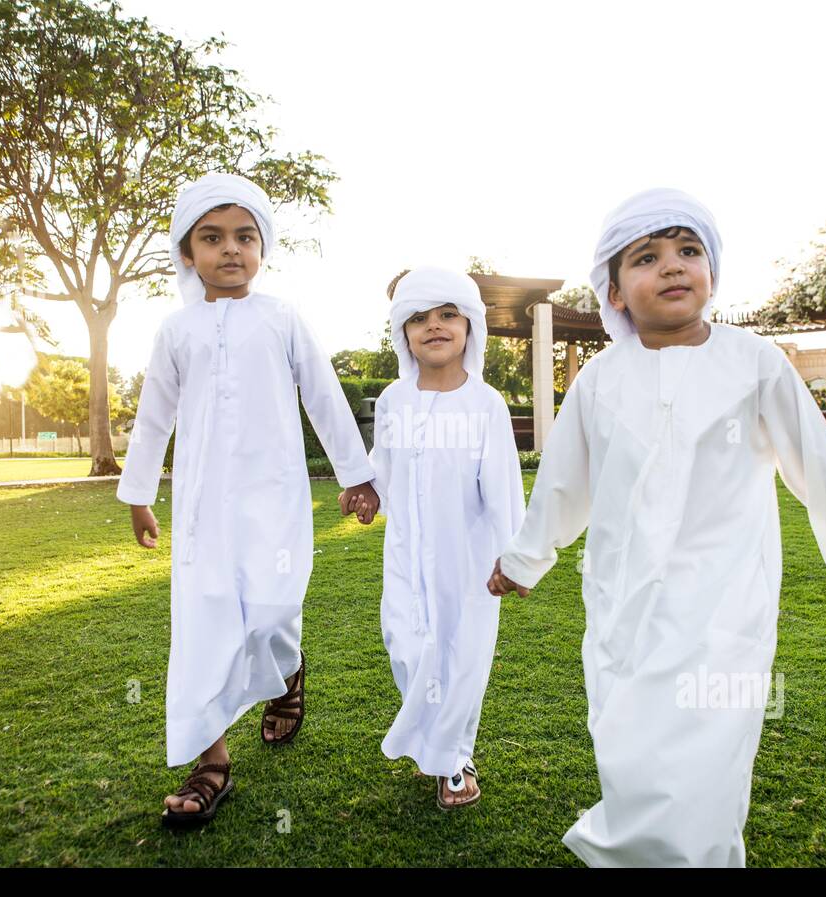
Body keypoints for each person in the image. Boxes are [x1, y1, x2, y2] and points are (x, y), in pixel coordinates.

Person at [487, 188, 826, 865]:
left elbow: (816, 462)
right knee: (631, 741)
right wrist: (526, 557)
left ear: (711, 270)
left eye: (688, 250)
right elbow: (564, 482)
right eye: (647, 257)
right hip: (624, 599)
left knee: (709, 751)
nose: (673, 266)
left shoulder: (754, 361)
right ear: (614, 292)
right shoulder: (599, 381)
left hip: (724, 599)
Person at [117, 172, 379, 828]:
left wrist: (356, 473)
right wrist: (140, 494)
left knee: (271, 613)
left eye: (244, 236)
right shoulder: (177, 330)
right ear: (186, 252)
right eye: (212, 237)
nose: (229, 249)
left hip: (276, 501)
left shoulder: (282, 317)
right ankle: (210, 763)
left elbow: (323, 394)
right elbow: (154, 417)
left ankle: (287, 673)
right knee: (202, 630)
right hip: (205, 510)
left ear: (262, 247)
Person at [342, 268, 524, 808]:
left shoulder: (485, 404)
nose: (434, 326)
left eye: (447, 314)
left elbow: (505, 487)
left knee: (460, 653)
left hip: (465, 560)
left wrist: (515, 555)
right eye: (418, 318)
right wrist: (369, 490)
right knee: (407, 645)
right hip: (404, 556)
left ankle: (453, 758)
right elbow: (385, 464)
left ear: (471, 326)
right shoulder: (395, 401)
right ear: (402, 332)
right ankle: (434, 741)